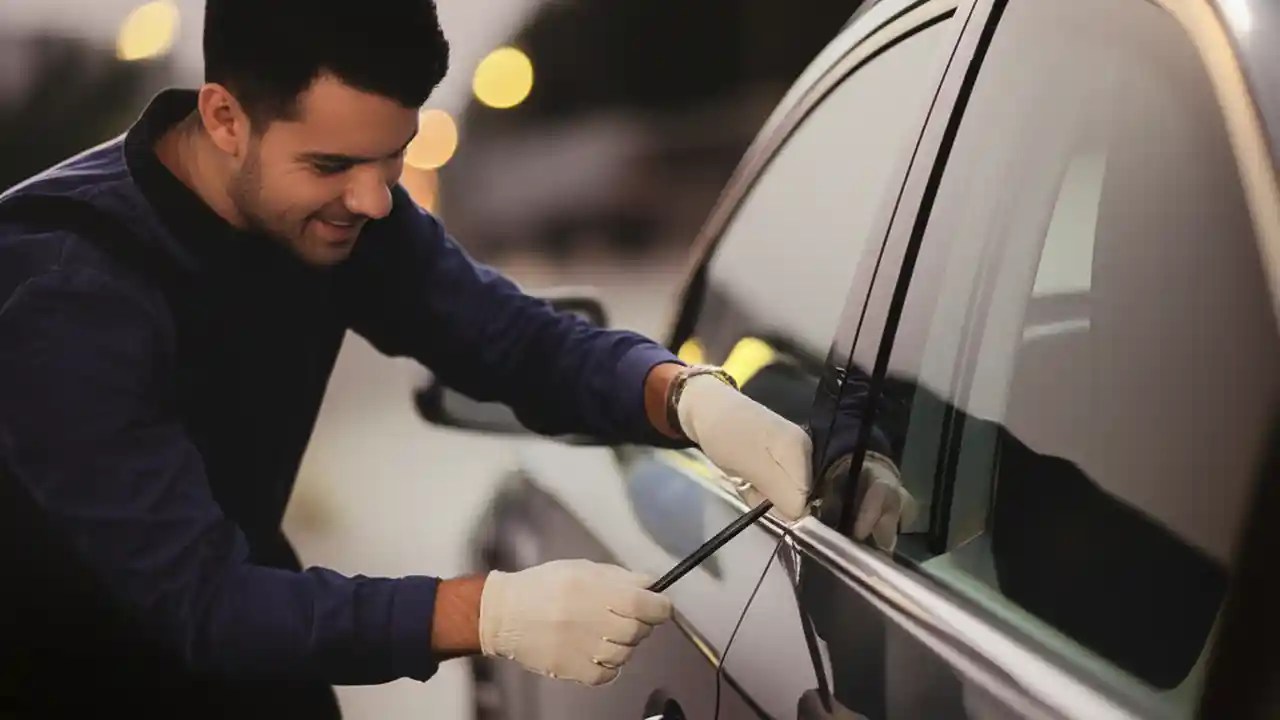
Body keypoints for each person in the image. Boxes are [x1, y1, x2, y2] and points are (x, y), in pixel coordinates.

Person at [0, 2, 856, 716]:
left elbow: (513, 340)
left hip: (260, 670)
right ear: (225, 117)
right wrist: (488, 612)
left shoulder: (345, 210)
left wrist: (690, 399)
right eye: (332, 163)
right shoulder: (63, 292)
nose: (374, 199)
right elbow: (201, 601)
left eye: (393, 156)